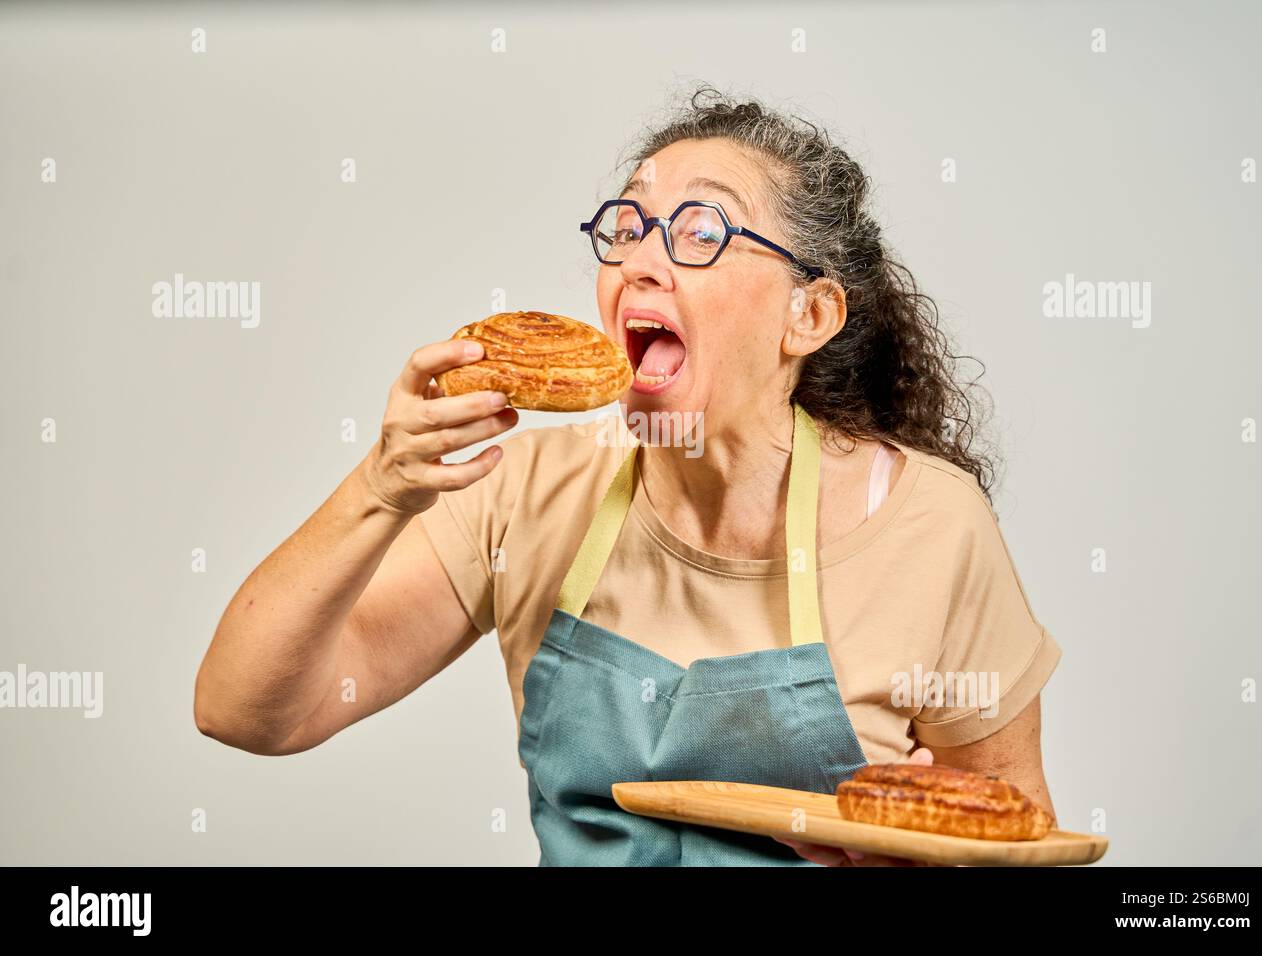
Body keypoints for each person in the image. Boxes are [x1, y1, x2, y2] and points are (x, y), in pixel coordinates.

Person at [194, 86, 1061, 866]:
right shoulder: (524, 488)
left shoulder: (928, 523)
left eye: (700, 233)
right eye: (629, 226)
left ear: (810, 314)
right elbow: (246, 711)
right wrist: (379, 490)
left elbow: (1017, 837)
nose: (640, 260)